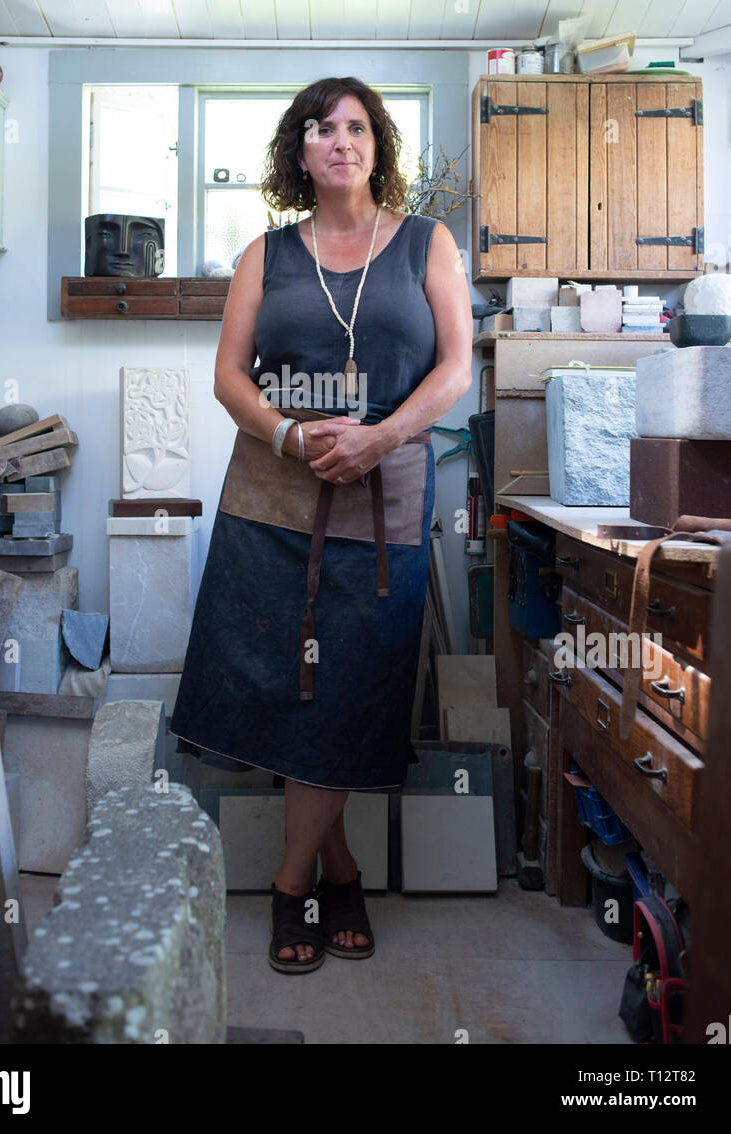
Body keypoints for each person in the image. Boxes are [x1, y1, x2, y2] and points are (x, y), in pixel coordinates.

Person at [169, 76, 473, 973]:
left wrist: (380, 436)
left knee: (348, 692)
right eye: (318, 129)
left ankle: (289, 878)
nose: (338, 141)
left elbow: (455, 368)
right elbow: (230, 377)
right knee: (280, 688)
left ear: (376, 144)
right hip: (271, 498)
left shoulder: (427, 242)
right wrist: (291, 434)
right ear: (297, 153)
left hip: (385, 500)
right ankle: (337, 868)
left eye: (353, 127)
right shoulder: (265, 254)